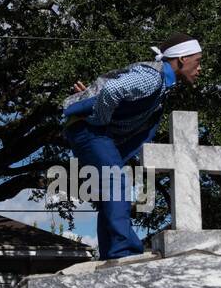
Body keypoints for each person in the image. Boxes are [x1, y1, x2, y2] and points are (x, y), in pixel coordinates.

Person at [62, 33, 204, 260]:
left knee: (110, 188)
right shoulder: (152, 78)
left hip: (92, 132)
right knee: (116, 179)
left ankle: (112, 252)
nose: (200, 69)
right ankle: (124, 250)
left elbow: (113, 91)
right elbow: (112, 91)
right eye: (197, 61)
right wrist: (101, 119)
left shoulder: (161, 85)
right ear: (182, 59)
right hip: (89, 129)